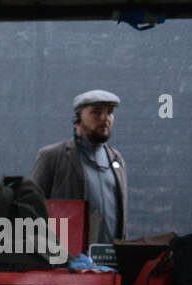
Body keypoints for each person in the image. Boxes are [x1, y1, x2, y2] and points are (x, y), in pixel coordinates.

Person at [31, 89, 128, 246]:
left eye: (109, 113)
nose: (105, 118)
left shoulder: (117, 160)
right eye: (96, 112)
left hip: (110, 260)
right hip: (65, 260)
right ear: (78, 119)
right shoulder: (52, 156)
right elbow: (33, 210)